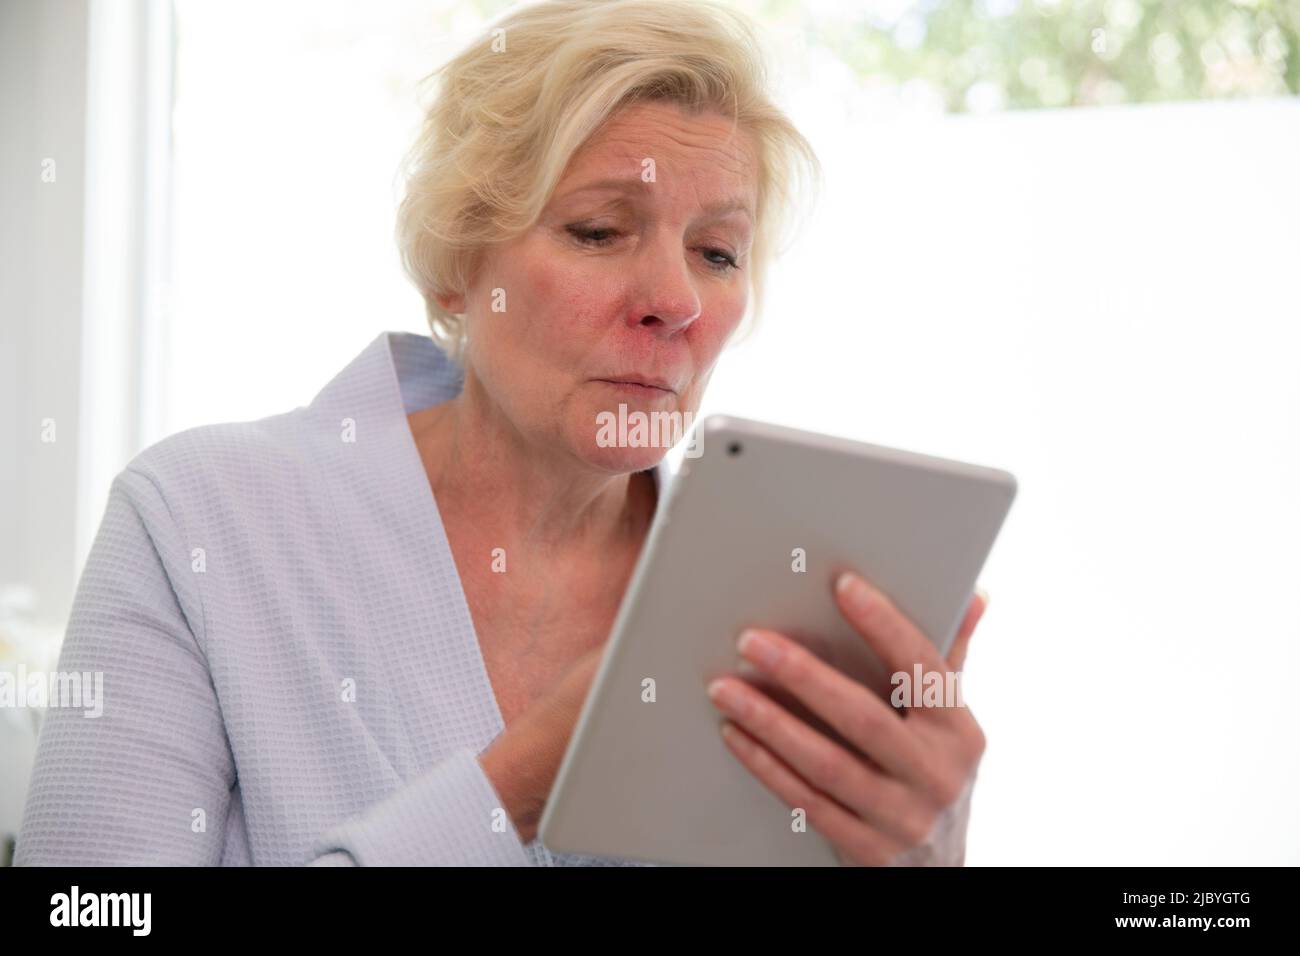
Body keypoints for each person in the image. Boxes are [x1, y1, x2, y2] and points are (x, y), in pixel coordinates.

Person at [16, 0, 987, 866]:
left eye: (717, 251)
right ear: (456, 266)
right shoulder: (199, 522)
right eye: (600, 230)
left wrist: (915, 854)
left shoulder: (778, 600)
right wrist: (507, 789)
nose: (675, 299)